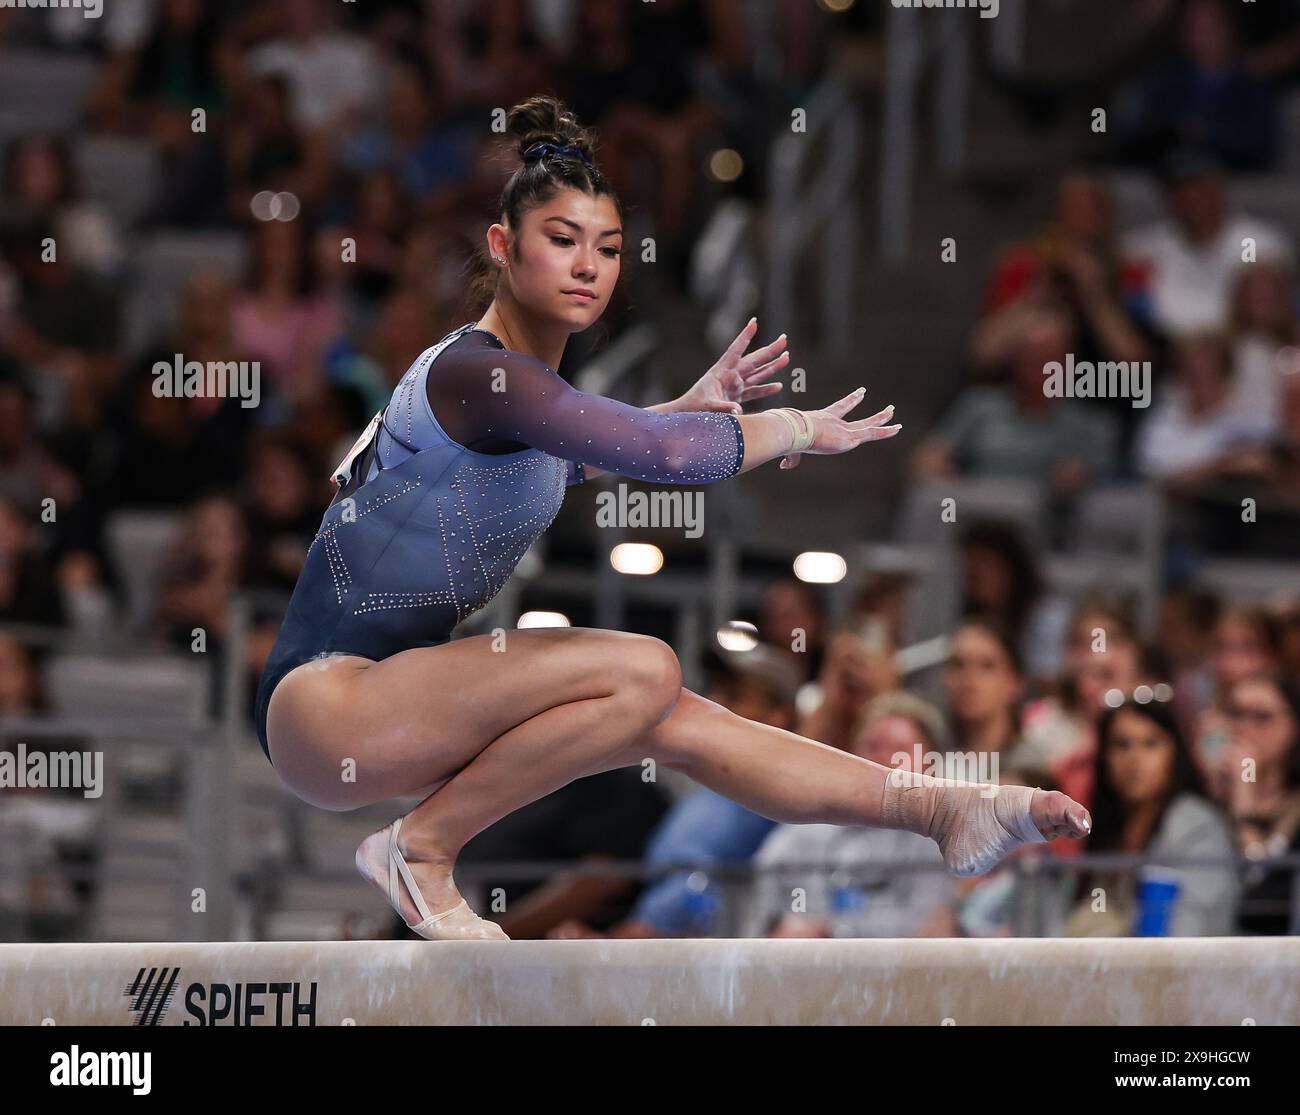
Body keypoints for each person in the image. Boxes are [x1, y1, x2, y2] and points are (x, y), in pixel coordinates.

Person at [254, 96, 1090, 940]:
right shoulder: (481, 376)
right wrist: (793, 427)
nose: (589, 266)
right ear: (502, 248)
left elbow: (583, 453)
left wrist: (682, 408)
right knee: (645, 668)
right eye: (562, 239)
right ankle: (422, 847)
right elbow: (670, 459)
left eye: (609, 248)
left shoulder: (509, 403)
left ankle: (942, 810)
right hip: (329, 701)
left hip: (385, 703)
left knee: (681, 722)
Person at [1062, 693, 1239, 936]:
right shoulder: (1105, 825)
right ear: (1104, 759)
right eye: (1122, 745)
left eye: (1151, 744)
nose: (1134, 760)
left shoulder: (1197, 826)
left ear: (1175, 754)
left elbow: (1188, 933)